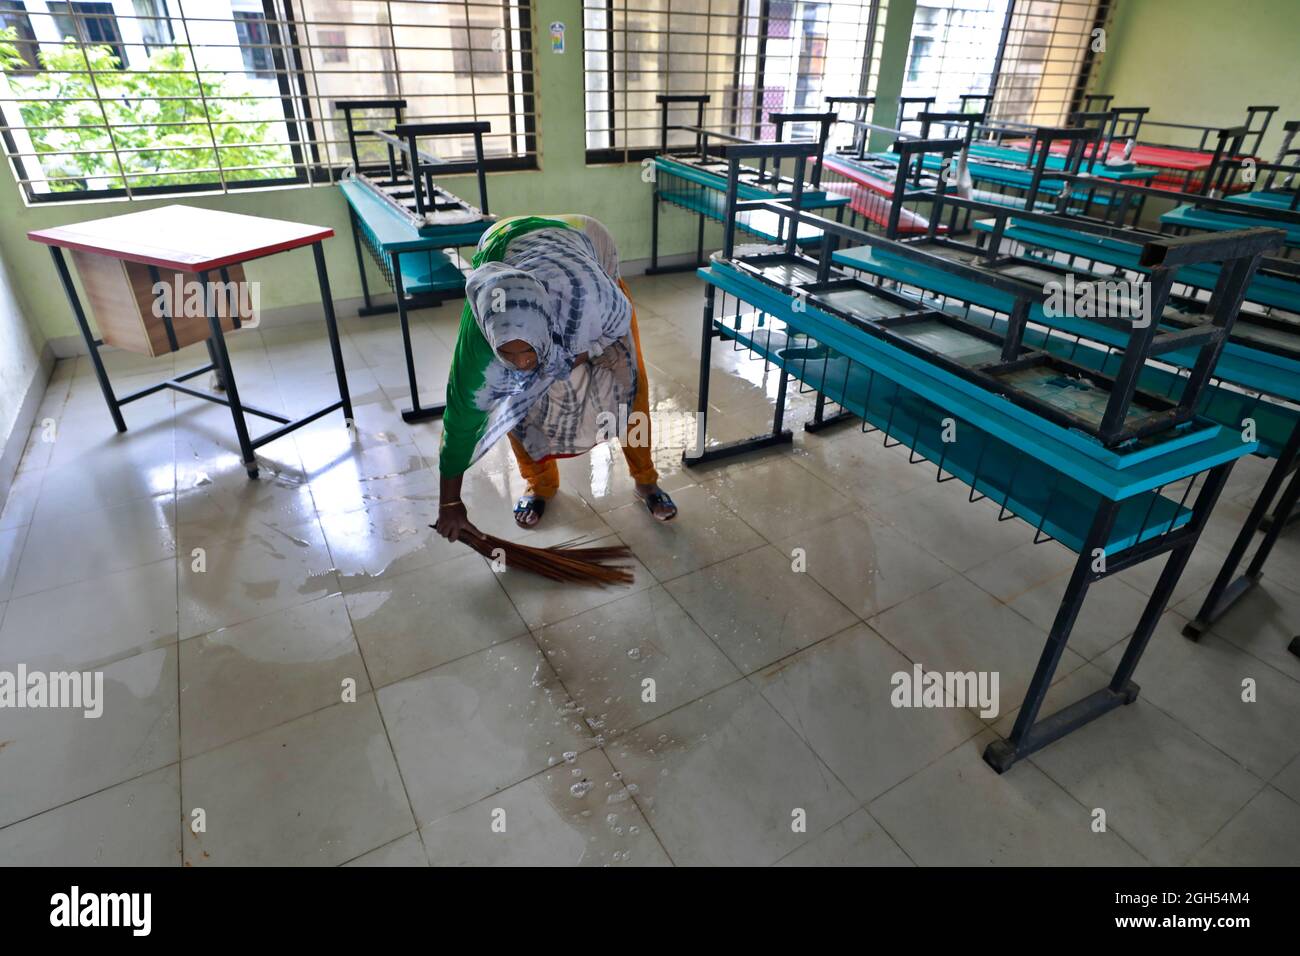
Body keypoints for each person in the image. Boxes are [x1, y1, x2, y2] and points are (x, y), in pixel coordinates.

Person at [434, 214, 677, 543]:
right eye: (508, 354)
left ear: (551, 324)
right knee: (518, 409)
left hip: (585, 239)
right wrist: (449, 503)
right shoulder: (478, 353)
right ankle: (540, 483)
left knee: (630, 389)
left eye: (528, 353)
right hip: (505, 243)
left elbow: (617, 325)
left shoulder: (593, 300)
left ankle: (646, 479)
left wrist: (576, 356)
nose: (520, 364)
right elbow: (459, 427)